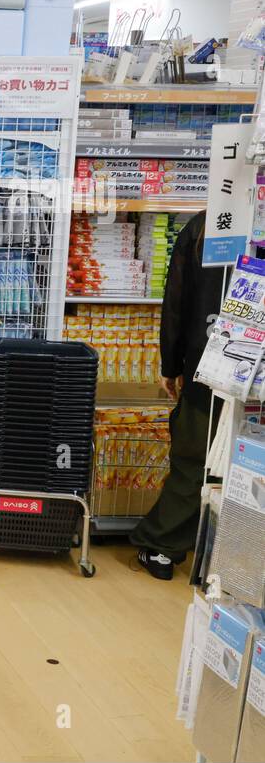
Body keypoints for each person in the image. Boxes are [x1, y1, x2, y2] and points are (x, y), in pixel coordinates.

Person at [130, 212, 224, 580]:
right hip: (214, 365)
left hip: (211, 363)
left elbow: (177, 301)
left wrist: (172, 363)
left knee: (194, 459)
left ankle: (162, 547)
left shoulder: (209, 223)